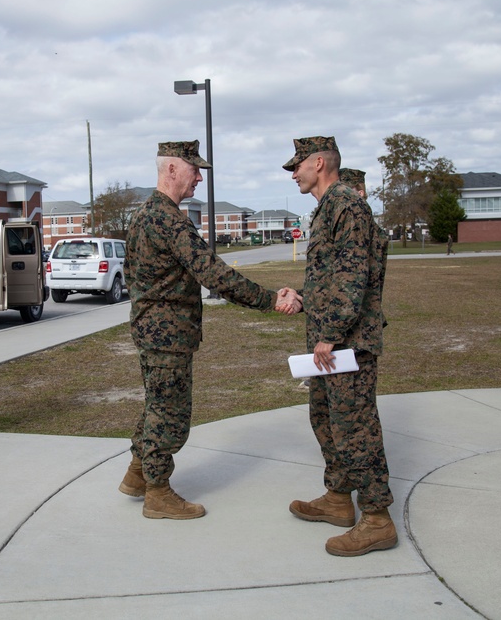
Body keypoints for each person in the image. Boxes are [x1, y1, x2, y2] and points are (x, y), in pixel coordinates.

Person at [119, 140, 301, 520]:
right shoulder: (167, 218)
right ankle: (158, 493)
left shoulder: (144, 214)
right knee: (170, 414)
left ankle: (138, 475)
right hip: (166, 334)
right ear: (171, 169)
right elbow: (214, 274)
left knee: (158, 403)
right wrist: (270, 299)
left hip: (153, 330)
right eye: (193, 169)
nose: (199, 177)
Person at [283, 136, 396, 557]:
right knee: (325, 419)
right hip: (325, 341)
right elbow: (330, 279)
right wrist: (303, 297)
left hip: (344, 343)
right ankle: (337, 500)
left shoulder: (346, 204)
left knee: (355, 430)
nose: (294, 173)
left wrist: (330, 331)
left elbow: (353, 277)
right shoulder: (327, 208)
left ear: (318, 162)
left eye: (297, 165)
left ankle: (377, 520)